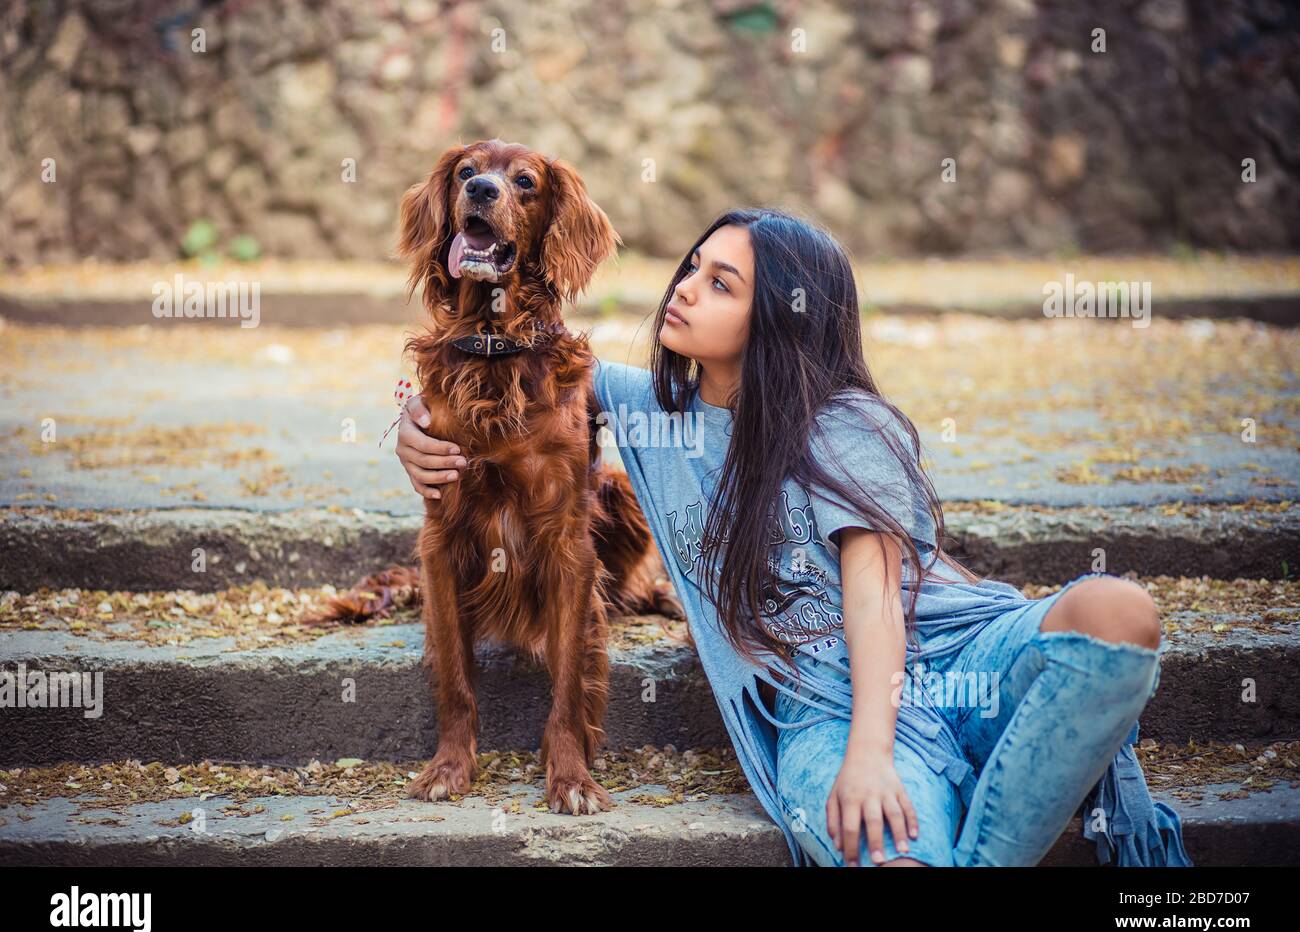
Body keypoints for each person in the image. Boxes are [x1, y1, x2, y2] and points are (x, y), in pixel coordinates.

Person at [395, 207, 1191, 868]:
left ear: (778, 315)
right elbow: (497, 379)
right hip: (818, 705)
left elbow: (878, 603)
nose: (684, 290)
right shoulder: (645, 409)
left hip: (954, 653)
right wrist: (411, 428)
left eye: (720, 284)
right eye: (693, 266)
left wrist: (873, 757)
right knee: (893, 857)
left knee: (1117, 610)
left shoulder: (847, 423)